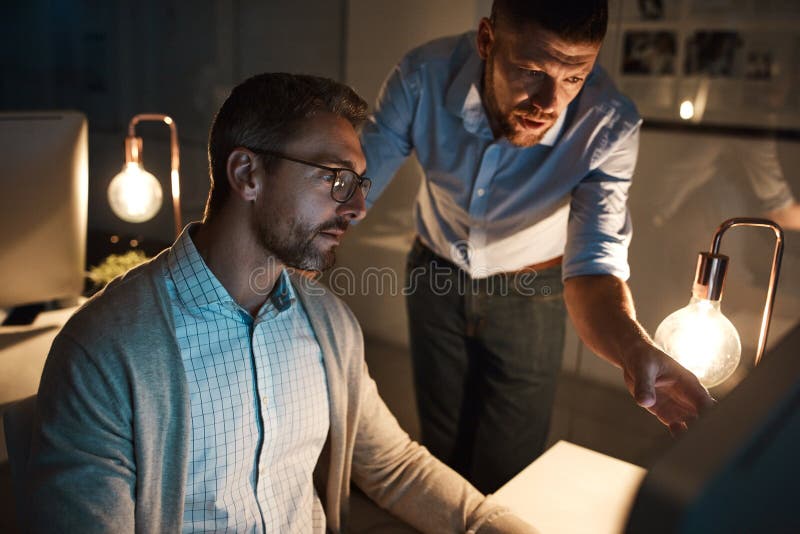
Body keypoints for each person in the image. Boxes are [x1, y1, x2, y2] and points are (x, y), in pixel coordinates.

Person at [25, 73, 536, 533]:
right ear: (247, 174)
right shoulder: (103, 351)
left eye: (358, 183)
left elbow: (394, 467)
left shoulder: (329, 324)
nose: (357, 208)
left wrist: (494, 525)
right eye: (335, 178)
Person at [360, 0, 713, 493]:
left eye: (574, 78)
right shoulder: (423, 76)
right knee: (439, 457)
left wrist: (634, 347)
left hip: (536, 291)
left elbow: (594, 266)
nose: (550, 101)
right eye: (531, 70)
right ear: (486, 40)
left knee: (508, 469)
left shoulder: (608, 124)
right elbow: (354, 187)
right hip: (434, 273)